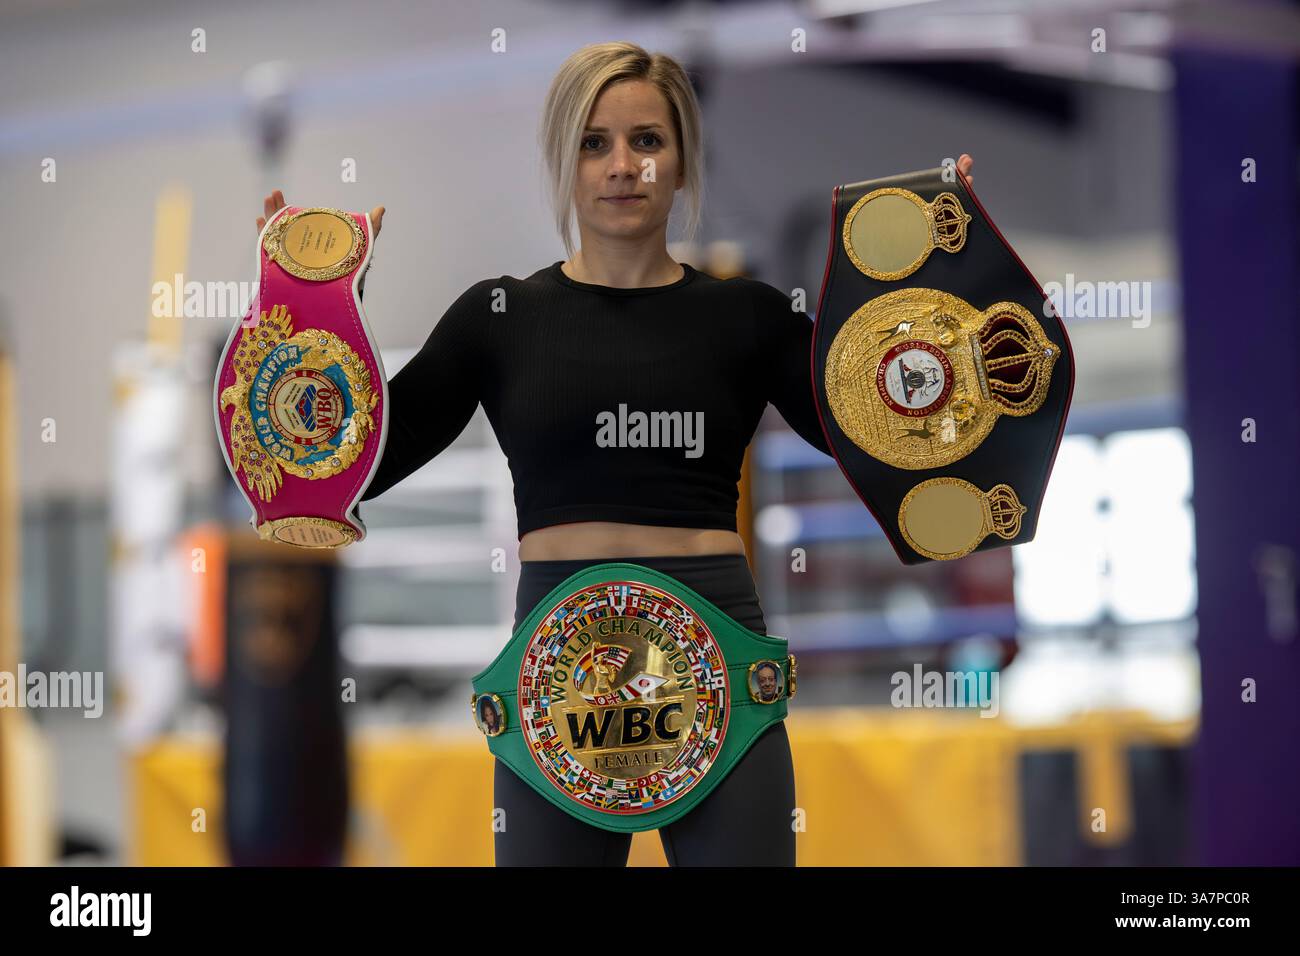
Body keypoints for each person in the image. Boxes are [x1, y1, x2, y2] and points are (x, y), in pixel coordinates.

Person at [255, 40, 975, 866]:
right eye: (595, 142)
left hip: (720, 663)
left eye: (647, 141)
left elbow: (883, 433)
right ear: (565, 161)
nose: (623, 165)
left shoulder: (746, 315)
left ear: (681, 159)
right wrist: (313, 309)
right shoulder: (498, 317)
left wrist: (948, 273)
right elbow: (358, 464)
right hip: (556, 670)